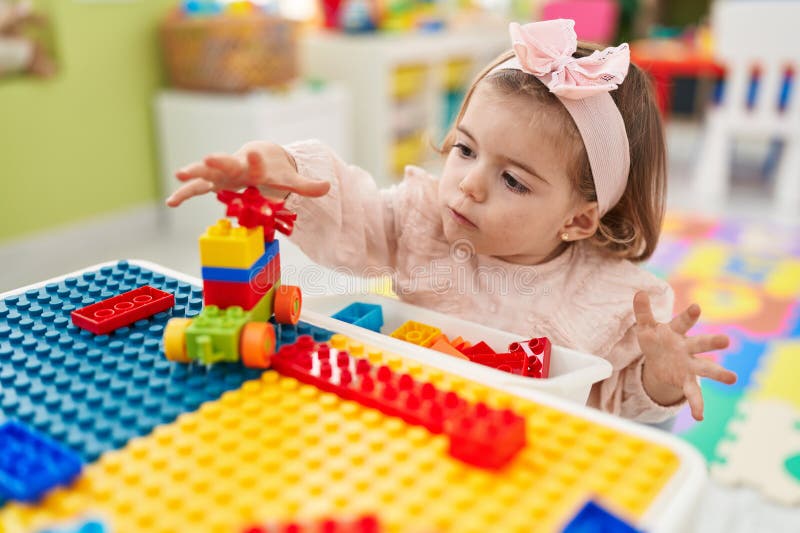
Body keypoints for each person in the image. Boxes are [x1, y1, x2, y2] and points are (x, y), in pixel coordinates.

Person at [166, 19, 737, 424]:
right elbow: (353, 213)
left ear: (579, 219)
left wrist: (658, 379)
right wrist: (283, 169)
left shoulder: (611, 303)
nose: (468, 184)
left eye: (513, 180)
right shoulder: (424, 220)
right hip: (412, 420)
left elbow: (613, 408)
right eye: (465, 149)